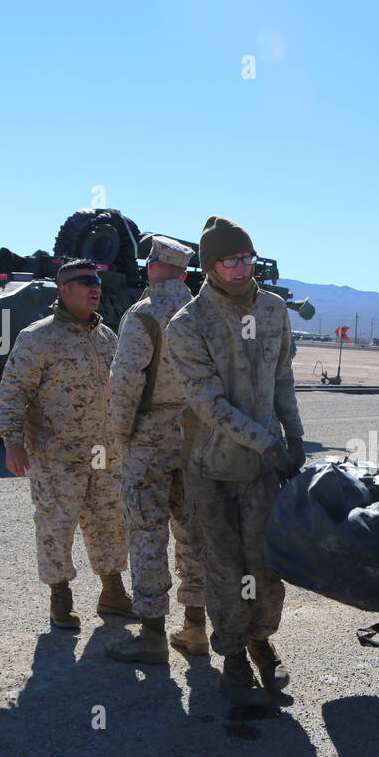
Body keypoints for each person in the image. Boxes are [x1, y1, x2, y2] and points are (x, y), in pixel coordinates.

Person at [166, 215, 306, 705]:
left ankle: (261, 642)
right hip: (214, 469)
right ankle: (231, 656)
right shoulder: (189, 324)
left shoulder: (272, 310)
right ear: (210, 266)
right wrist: (268, 442)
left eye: (246, 257)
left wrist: (295, 435)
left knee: (267, 564)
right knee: (225, 567)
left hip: (264, 471)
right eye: (231, 260)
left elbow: (283, 376)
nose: (242, 267)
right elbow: (207, 404)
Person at [0, 258, 132, 629]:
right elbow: (11, 394)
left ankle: (113, 592)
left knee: (109, 522)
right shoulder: (37, 337)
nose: (95, 288)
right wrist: (12, 443)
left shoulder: (106, 337)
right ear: (64, 290)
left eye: (98, 281)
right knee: (56, 526)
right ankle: (60, 596)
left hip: (104, 454)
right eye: (85, 281)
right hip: (56, 455)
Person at [105, 236, 207, 664]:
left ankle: (151, 635)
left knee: (146, 533)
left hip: (149, 438)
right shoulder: (203, 315)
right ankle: (196, 628)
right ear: (184, 273)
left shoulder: (143, 315)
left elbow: (125, 382)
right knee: (193, 532)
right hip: (197, 436)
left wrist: (119, 436)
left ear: (151, 267)